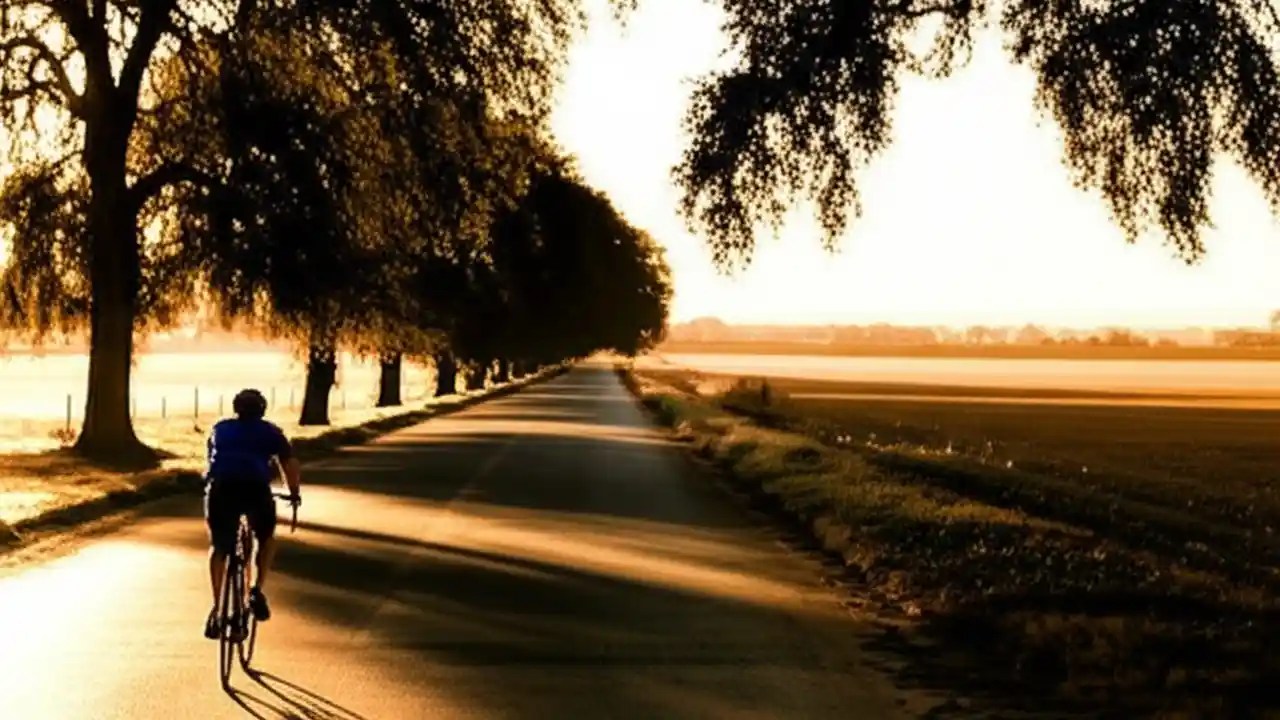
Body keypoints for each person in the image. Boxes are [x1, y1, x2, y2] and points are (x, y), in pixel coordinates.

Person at [202, 388, 301, 640]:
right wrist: (294, 493)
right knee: (266, 538)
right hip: (255, 488)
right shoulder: (271, 432)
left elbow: (211, 458)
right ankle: (256, 589)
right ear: (262, 410)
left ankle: (217, 609)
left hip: (222, 487)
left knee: (219, 546)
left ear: (236, 409)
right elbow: (288, 463)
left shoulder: (220, 428)